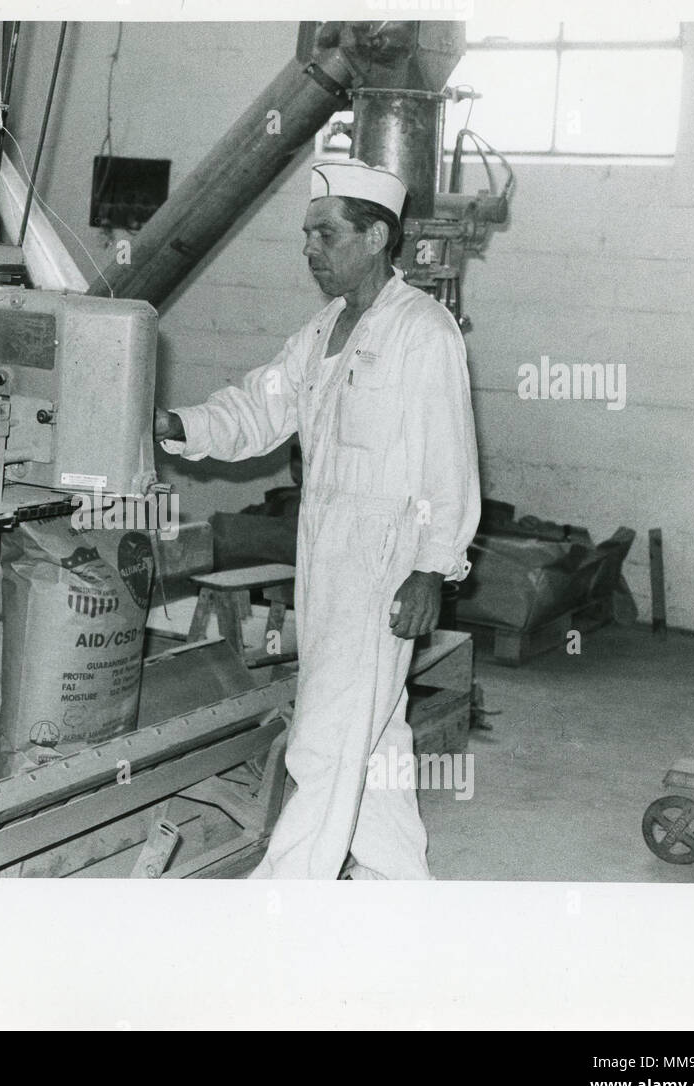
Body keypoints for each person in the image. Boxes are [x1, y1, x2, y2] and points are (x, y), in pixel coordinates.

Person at [154, 158, 481, 880]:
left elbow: (450, 463)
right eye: (306, 234)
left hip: (384, 556)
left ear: (375, 236)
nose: (309, 249)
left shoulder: (422, 332)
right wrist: (176, 424)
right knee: (374, 730)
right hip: (325, 548)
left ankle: (282, 908)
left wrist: (431, 567)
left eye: (325, 234)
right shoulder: (326, 328)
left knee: (327, 738)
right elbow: (258, 407)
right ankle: (399, 885)